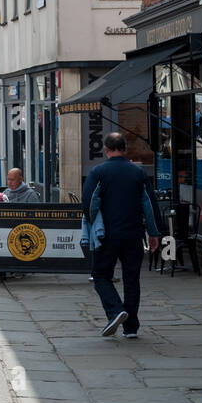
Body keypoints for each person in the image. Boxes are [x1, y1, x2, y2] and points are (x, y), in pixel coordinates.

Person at [81, 133, 161, 339]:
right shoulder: (138, 172)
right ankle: (131, 328)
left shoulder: (98, 172)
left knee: (100, 276)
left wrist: (93, 224)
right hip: (133, 235)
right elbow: (149, 205)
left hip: (107, 235)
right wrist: (153, 233)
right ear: (125, 149)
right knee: (131, 279)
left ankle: (116, 311)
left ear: (106, 149)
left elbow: (89, 203)